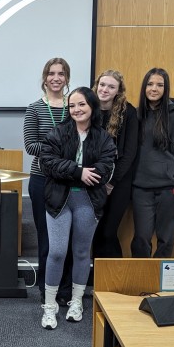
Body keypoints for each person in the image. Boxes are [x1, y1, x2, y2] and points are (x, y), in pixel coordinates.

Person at [39, 87, 116, 329]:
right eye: (72, 105)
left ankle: (76, 301)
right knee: (58, 252)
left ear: (92, 106)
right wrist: (78, 171)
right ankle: (50, 306)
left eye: (81, 104)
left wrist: (77, 173)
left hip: (88, 200)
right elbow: (47, 163)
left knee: (82, 252)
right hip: (59, 199)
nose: (76, 110)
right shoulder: (58, 132)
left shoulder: (103, 137)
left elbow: (104, 168)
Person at [131, 68, 174, 258]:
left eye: (160, 85)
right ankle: (141, 281)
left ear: (165, 88)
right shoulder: (135, 115)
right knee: (141, 238)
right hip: (141, 189)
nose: (154, 89)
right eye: (150, 84)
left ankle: (158, 284)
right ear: (144, 87)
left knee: (166, 239)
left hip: (170, 190)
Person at [23, 57, 75, 304]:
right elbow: (31, 146)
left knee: (68, 240)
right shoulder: (34, 108)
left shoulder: (74, 106)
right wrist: (60, 147)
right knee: (46, 239)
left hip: (70, 181)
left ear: (67, 78)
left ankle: (65, 290)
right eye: (52, 73)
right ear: (45, 78)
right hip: (42, 180)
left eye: (61, 73)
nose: (56, 78)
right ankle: (47, 291)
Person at [91, 70, 139, 258]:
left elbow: (129, 153)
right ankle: (95, 279)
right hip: (92, 180)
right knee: (95, 231)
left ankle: (112, 279)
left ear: (118, 91)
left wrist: (111, 183)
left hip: (118, 183)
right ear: (97, 86)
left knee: (109, 232)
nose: (105, 89)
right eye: (102, 85)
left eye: (111, 86)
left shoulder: (129, 113)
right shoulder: (87, 109)